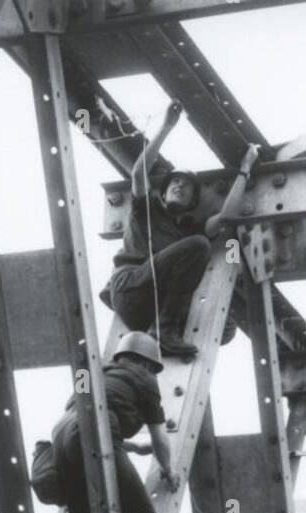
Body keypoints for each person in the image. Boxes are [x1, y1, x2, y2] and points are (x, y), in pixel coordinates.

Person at [101, 100, 259, 360]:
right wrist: (166, 127)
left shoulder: (187, 232)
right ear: (163, 193)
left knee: (226, 328)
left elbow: (227, 216)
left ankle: (165, 330)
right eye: (174, 182)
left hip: (148, 310)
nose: (179, 186)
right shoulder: (147, 209)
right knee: (199, 245)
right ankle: (165, 332)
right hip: (130, 288)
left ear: (191, 202)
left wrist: (245, 169)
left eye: (186, 186)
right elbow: (139, 173)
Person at [51, 330, 174, 513]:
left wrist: (133, 447)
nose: (151, 373)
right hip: (94, 433)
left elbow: (85, 420)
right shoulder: (144, 379)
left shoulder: (99, 375)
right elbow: (160, 438)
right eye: (151, 367)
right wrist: (167, 470)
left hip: (61, 436)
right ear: (144, 362)